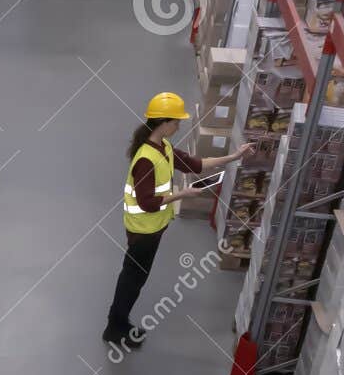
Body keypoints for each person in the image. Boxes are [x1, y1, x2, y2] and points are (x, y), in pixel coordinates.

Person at [106, 92, 251, 353]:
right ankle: (115, 328)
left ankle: (119, 322)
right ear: (163, 122)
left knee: (136, 278)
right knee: (132, 279)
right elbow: (147, 202)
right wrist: (183, 194)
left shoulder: (164, 147)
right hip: (143, 231)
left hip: (153, 228)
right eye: (176, 122)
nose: (178, 126)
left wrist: (233, 158)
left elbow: (196, 165)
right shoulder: (146, 159)